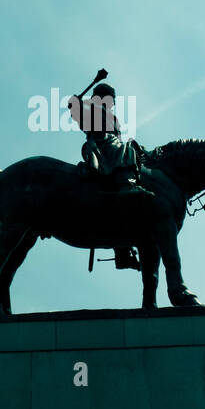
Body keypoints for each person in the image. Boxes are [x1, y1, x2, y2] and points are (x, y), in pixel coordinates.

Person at [67, 81, 148, 270]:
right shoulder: (90, 108)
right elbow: (74, 108)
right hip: (99, 146)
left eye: (112, 101)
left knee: (131, 148)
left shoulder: (115, 119)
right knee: (126, 150)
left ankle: (123, 251)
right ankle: (127, 185)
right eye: (110, 99)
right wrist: (75, 102)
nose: (112, 103)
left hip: (112, 147)